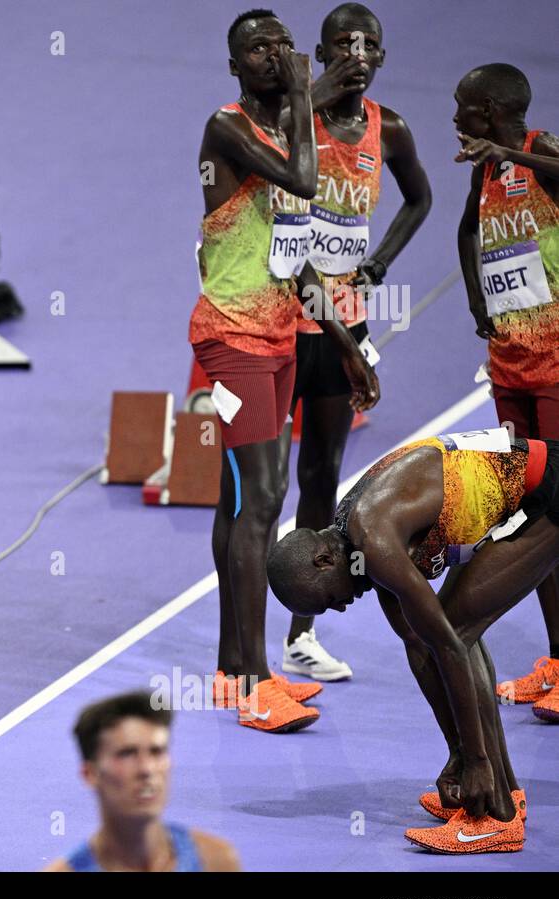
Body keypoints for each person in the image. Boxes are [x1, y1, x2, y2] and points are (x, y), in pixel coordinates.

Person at [190, 9, 376, 733]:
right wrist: (309, 93)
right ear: (235, 67)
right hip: (231, 341)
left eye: (279, 44)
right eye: (255, 49)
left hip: (279, 339)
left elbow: (293, 259)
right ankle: (252, 679)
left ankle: (231, 668)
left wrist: (348, 346)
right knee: (260, 501)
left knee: (242, 503)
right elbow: (303, 176)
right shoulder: (227, 126)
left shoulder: (280, 125)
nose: (272, 55)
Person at [267, 427, 550, 852]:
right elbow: (417, 644)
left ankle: (496, 817)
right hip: (529, 496)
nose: (342, 608)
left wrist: (474, 760)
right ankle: (503, 793)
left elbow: (448, 646)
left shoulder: (373, 538)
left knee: (456, 631)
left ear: (324, 560)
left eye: (328, 601)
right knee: (447, 630)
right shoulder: (354, 540)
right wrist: (457, 751)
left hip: (548, 498)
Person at [281, 3, 431, 683]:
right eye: (344, 43)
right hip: (276, 316)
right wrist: (311, 91)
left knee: (319, 475)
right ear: (322, 52)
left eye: (370, 44)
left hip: (343, 318)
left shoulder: (388, 130)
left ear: (383, 58)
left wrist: (380, 264)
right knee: (255, 494)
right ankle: (240, 647)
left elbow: (419, 199)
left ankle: (299, 634)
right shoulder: (294, 119)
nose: (359, 53)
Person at [454, 63, 559, 720]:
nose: (455, 119)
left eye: (463, 108)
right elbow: (468, 230)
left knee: (557, 514)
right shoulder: (483, 170)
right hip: (509, 368)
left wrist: (514, 153)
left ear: (492, 111)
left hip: (555, 364)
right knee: (528, 512)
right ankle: (555, 659)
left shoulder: (543, 154)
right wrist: (475, 301)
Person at [44, 691, 240, 872]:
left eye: (156, 752)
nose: (146, 769)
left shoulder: (216, 861)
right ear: (90, 774)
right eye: (127, 754)